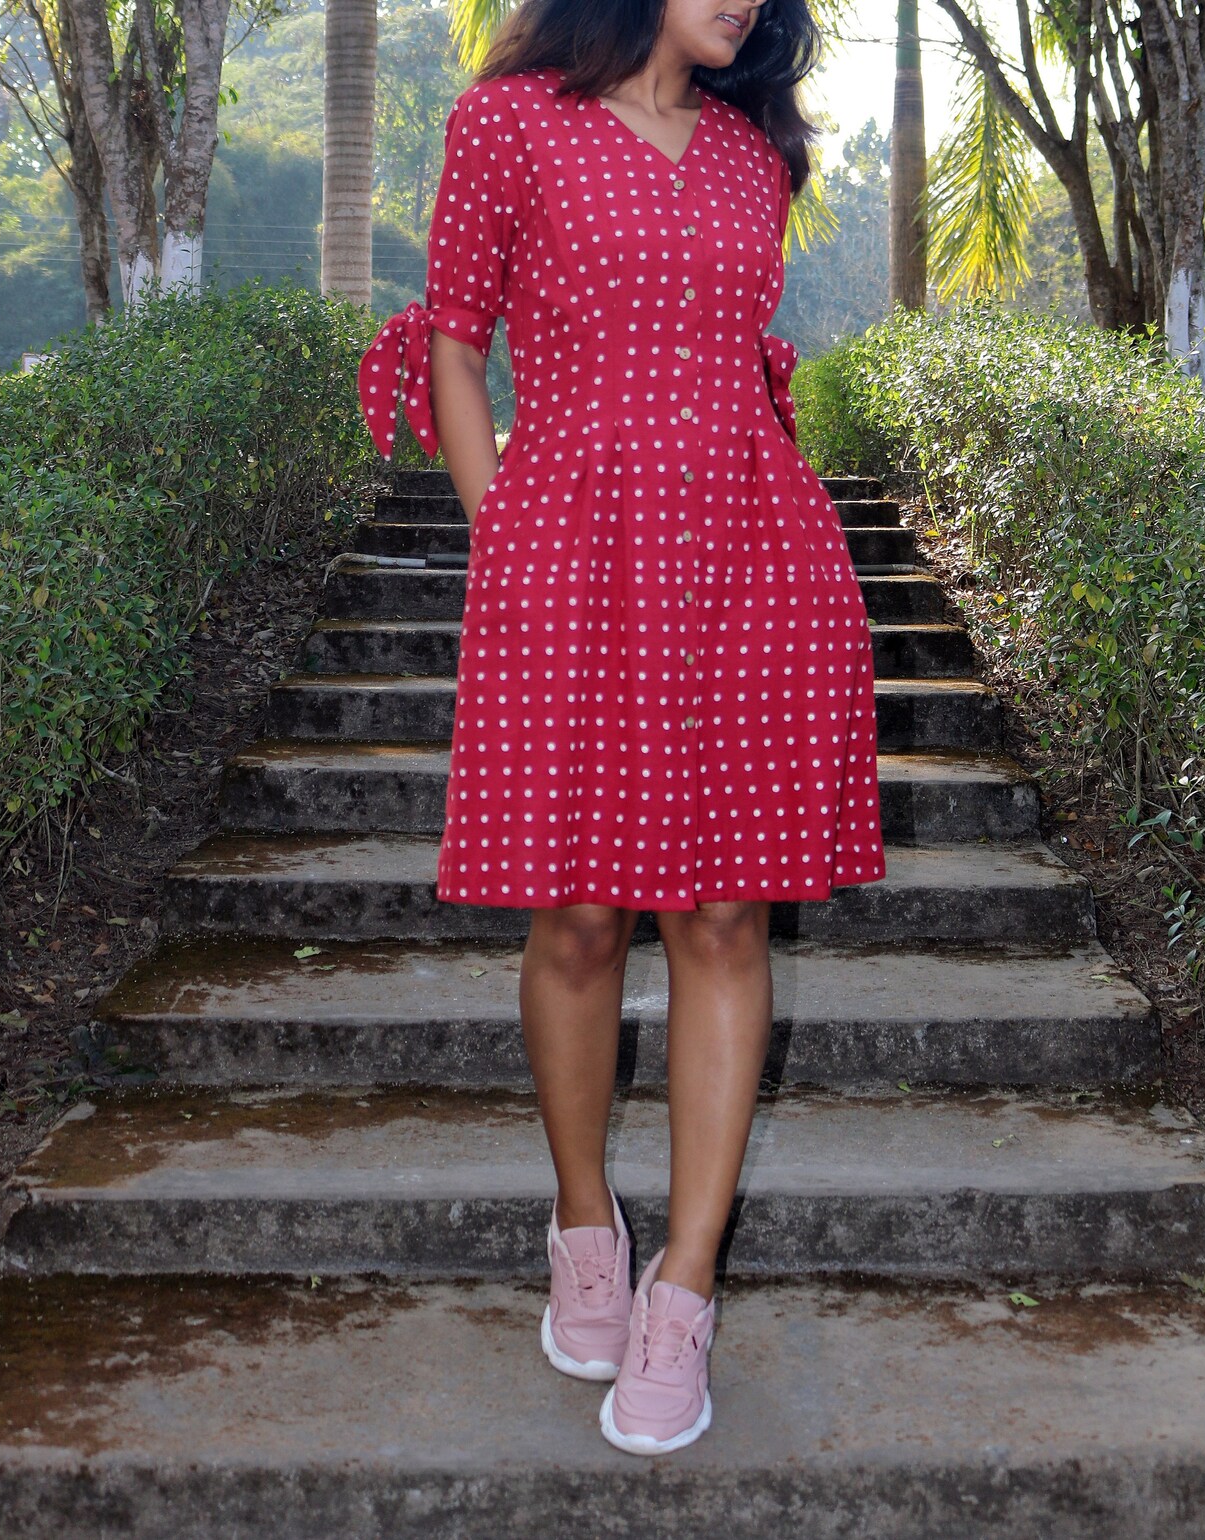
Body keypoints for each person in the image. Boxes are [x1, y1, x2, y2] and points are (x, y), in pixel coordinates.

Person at [356, 0, 885, 1457]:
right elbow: (456, 346)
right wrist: (503, 544)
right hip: (569, 553)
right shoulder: (506, 121)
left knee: (723, 920)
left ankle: (684, 1290)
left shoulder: (750, 149)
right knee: (581, 919)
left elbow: (740, 365)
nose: (752, 2)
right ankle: (584, 1222)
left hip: (752, 555)